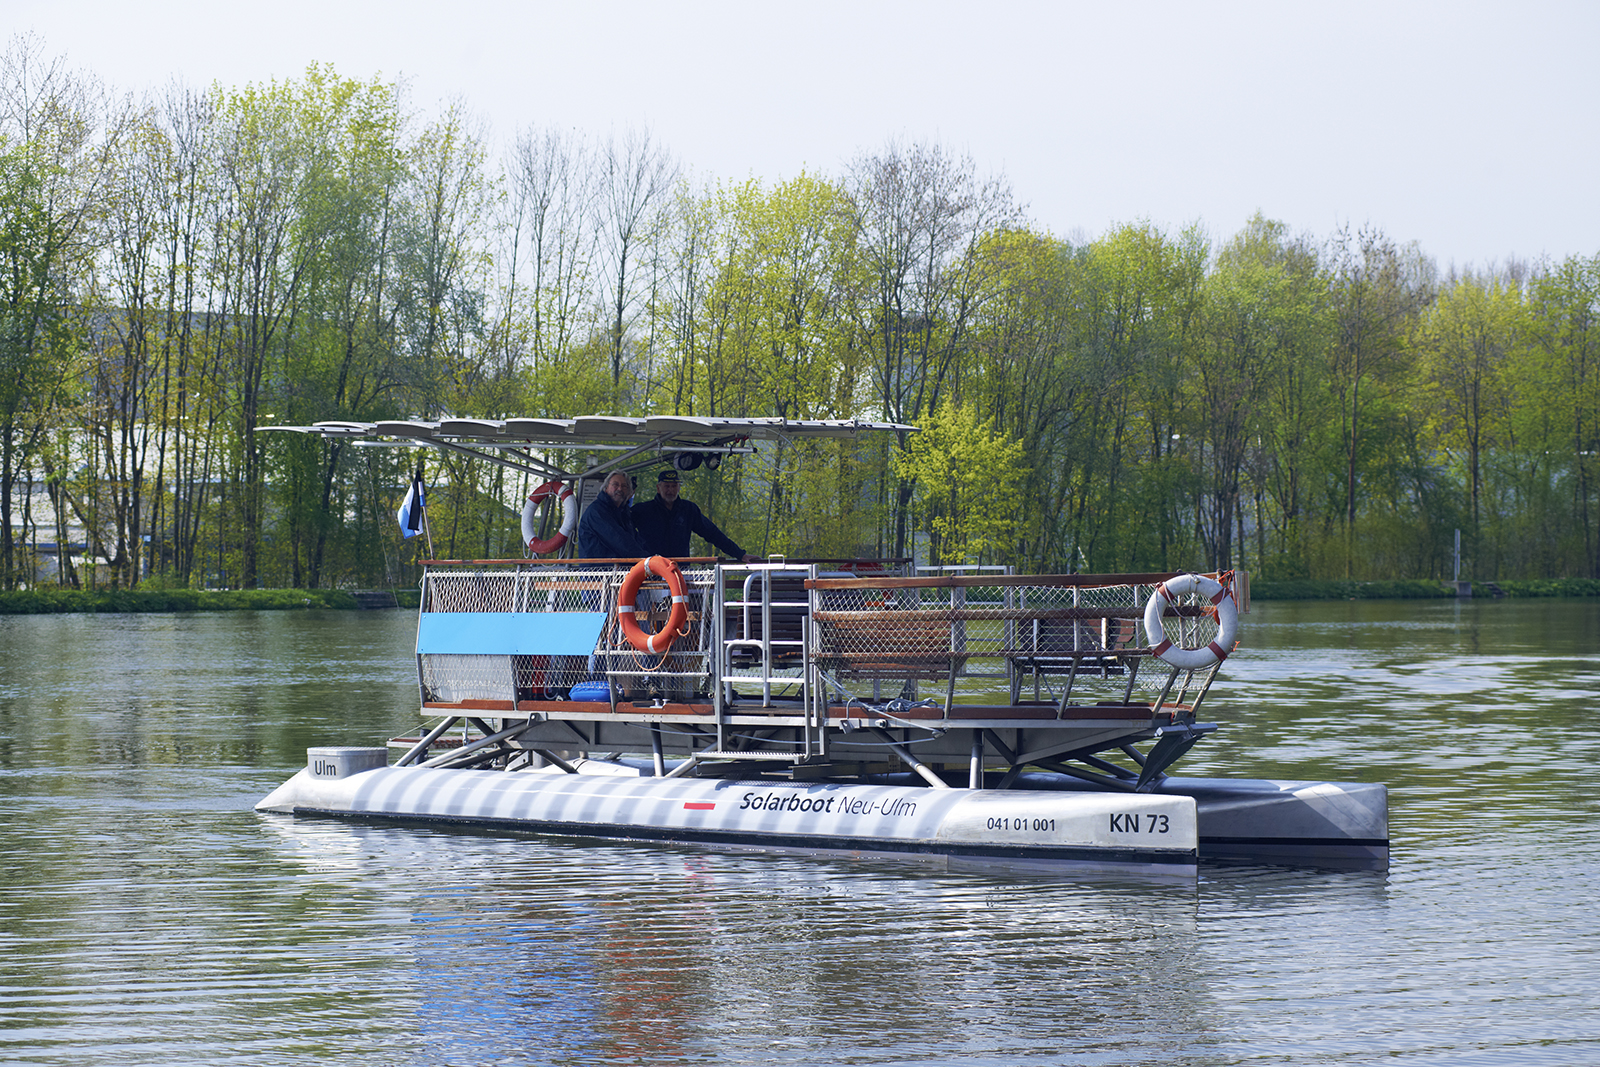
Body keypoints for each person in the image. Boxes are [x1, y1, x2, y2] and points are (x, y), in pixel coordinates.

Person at [632, 469, 760, 562]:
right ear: (658, 488)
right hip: (651, 573)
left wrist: (740, 554)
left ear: (679, 488)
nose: (670, 490)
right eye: (666, 486)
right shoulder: (643, 510)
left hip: (679, 572)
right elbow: (622, 530)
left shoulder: (688, 510)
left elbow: (713, 534)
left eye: (674, 486)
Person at [577, 470, 646, 559]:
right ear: (606, 488)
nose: (620, 489)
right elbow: (619, 541)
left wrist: (652, 557)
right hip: (598, 571)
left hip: (619, 570)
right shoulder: (597, 511)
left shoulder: (624, 512)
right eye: (615, 485)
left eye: (624, 486)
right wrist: (647, 560)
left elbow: (635, 540)